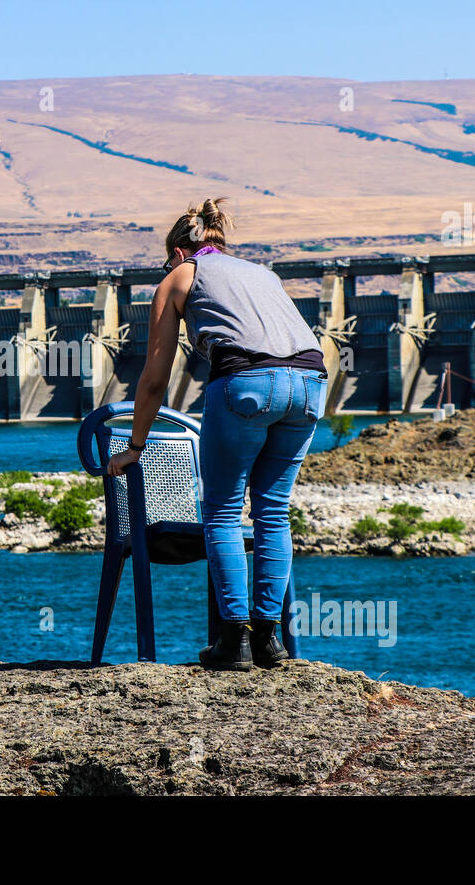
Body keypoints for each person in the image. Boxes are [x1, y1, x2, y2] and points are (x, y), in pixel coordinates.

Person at [105, 198, 327, 671]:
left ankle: (234, 641)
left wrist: (135, 447)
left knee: (223, 512)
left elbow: (153, 379)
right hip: (310, 384)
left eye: (168, 262)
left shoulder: (180, 277)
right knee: (272, 512)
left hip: (246, 383)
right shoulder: (262, 273)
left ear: (180, 252)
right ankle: (270, 641)